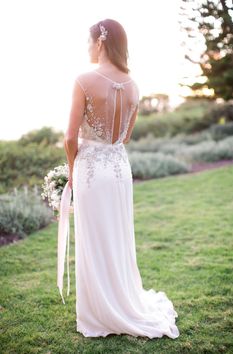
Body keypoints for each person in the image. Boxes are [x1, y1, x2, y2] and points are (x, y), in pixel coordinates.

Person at [60, 18, 180, 339]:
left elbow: (70, 138)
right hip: (118, 168)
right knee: (117, 236)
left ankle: (102, 312)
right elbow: (124, 136)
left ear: (100, 42)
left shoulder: (84, 80)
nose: (87, 47)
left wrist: (72, 171)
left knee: (95, 239)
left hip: (91, 169)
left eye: (89, 41)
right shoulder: (133, 85)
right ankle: (123, 300)